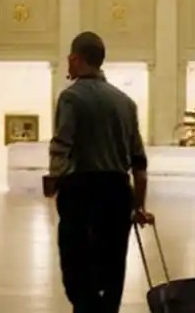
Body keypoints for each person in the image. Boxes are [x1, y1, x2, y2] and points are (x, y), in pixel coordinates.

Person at [45, 31, 152, 313]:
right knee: (112, 267)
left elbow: (62, 145)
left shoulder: (71, 98)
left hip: (81, 191)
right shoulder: (125, 102)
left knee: (78, 270)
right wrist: (139, 206)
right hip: (118, 193)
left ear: (74, 58)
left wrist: (54, 181)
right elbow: (139, 164)